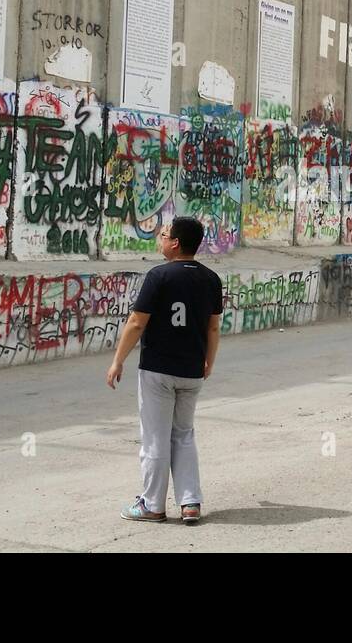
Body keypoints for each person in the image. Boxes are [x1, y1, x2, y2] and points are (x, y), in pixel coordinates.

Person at [107, 216, 223, 525]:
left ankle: (152, 505)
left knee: (155, 438)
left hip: (158, 370)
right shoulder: (211, 279)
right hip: (192, 371)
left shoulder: (159, 276)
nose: (160, 236)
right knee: (183, 434)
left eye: (164, 234)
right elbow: (213, 328)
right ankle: (190, 503)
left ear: (175, 243)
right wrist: (209, 361)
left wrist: (118, 360)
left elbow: (136, 322)